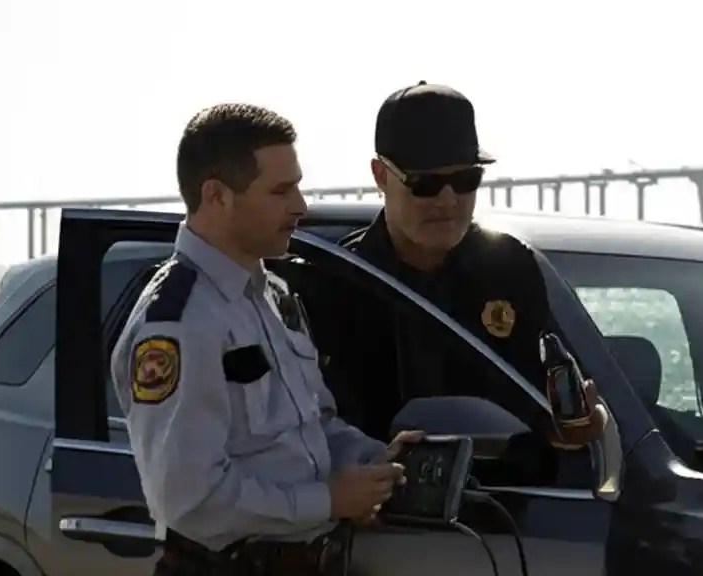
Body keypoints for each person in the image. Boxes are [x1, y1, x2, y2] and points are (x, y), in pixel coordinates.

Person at [110, 103, 421, 576]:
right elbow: (190, 500)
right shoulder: (176, 323)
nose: (301, 206)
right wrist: (329, 499)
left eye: (297, 185)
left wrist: (377, 462)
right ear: (216, 197)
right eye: (280, 190)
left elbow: (312, 426)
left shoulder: (272, 296)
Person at [312, 81, 605, 476]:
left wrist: (572, 428)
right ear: (381, 176)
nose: (448, 200)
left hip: (513, 511)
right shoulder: (333, 283)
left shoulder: (510, 268)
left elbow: (540, 398)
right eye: (425, 184)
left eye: (466, 179)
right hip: (381, 513)